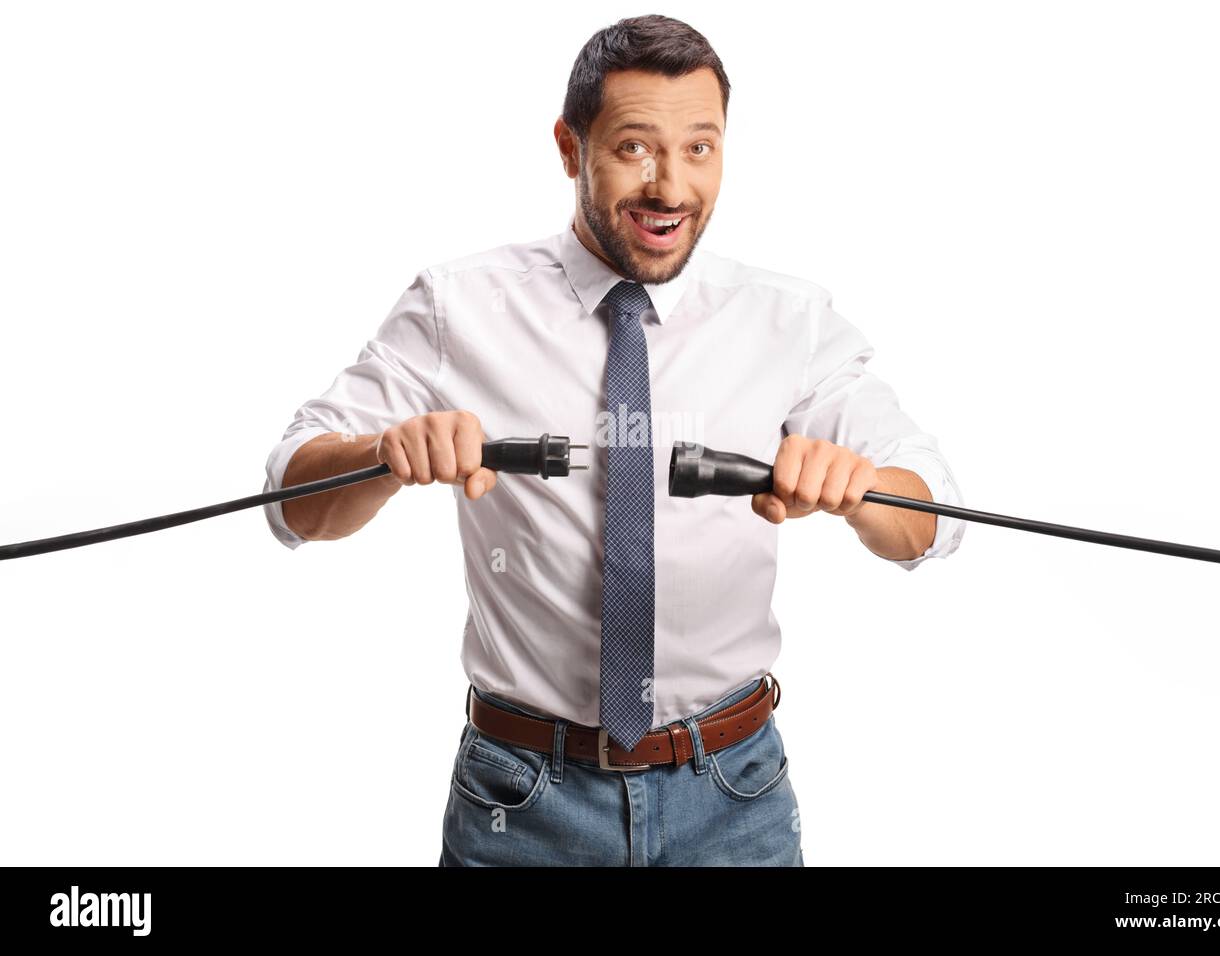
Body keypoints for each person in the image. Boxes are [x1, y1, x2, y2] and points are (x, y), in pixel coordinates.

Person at [261, 14, 966, 866]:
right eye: (635, 147)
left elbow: (935, 516)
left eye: (700, 148)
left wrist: (860, 491)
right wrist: (382, 459)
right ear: (570, 147)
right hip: (520, 801)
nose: (671, 187)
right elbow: (291, 499)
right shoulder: (458, 308)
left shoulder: (788, 321)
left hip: (733, 793)